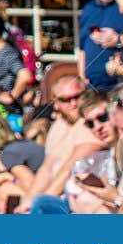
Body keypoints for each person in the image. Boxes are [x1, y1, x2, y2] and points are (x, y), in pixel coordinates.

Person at [23, 72, 96, 202]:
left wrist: (43, 203)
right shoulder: (59, 126)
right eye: (65, 100)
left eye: (78, 96)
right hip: (63, 195)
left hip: (83, 196)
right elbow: (47, 168)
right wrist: (28, 202)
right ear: (55, 102)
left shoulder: (92, 123)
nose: (73, 104)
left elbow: (70, 167)